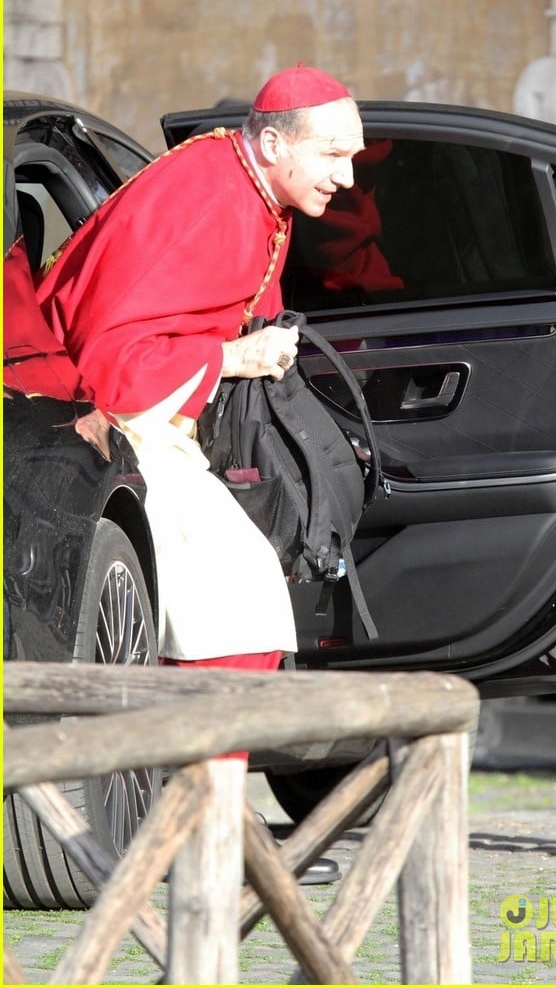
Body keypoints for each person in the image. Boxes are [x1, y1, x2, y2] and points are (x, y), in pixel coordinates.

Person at [36, 64, 365, 882]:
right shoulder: (204, 197)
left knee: (243, 596)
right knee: (233, 596)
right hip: (102, 429)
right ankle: (199, 834)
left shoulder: (249, 188)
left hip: (156, 421)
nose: (347, 178)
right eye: (333, 154)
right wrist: (234, 357)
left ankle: (206, 824)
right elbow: (114, 364)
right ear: (275, 143)